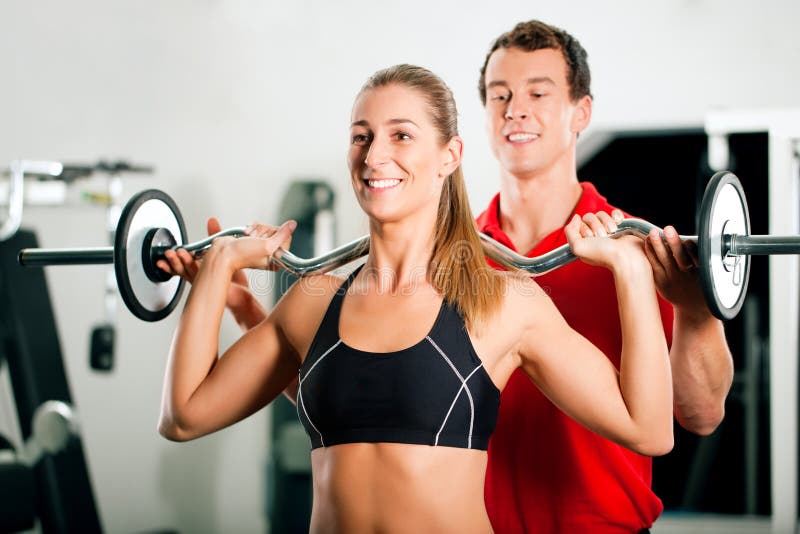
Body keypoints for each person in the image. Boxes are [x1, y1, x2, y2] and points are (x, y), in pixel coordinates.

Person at [157, 64, 673, 533]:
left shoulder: (504, 302)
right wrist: (218, 269)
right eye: (361, 136)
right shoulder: (312, 302)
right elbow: (183, 417)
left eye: (401, 135)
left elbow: (649, 431)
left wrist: (629, 269)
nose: (374, 155)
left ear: (449, 156)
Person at [475, 20, 734, 533]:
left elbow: (701, 414)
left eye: (537, 92)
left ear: (581, 113)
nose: (514, 109)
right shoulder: (454, 256)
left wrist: (694, 309)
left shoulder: (633, 250)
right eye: (498, 94)